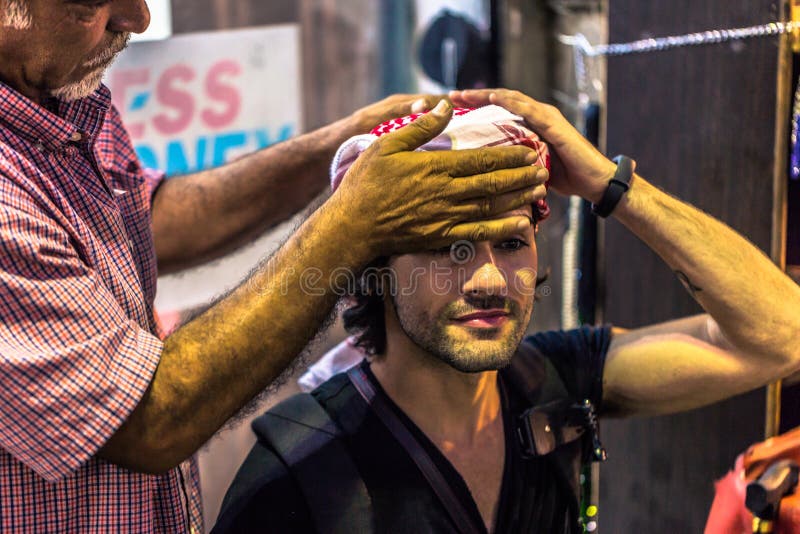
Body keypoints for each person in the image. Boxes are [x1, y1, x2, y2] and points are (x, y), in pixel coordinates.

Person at [0, 2, 547, 531]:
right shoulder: (298, 474)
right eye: (89, 1)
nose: (138, 18)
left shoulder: (63, 98)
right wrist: (350, 224)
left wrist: (339, 143)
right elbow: (145, 419)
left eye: (512, 243)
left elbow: (149, 218)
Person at [212, 93, 800, 534]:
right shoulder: (298, 468)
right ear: (376, 267)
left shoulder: (555, 378)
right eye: (449, 247)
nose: (490, 278)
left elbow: (780, 338)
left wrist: (612, 187)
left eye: (513, 242)